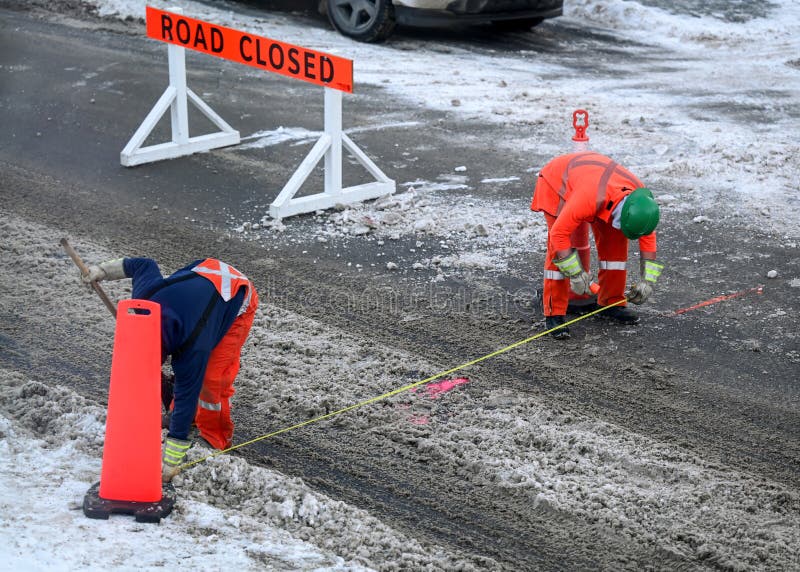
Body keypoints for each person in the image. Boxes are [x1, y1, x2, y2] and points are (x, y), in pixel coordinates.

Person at [83, 257, 258, 481]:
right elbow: (143, 265)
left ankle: (215, 437)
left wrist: (170, 463)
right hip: (204, 271)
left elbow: (187, 392)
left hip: (236, 295)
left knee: (211, 380)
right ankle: (181, 415)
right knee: (189, 383)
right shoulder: (146, 299)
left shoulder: (195, 346)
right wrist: (101, 271)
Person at [530, 151, 664, 339]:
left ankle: (611, 303)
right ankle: (554, 314)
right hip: (556, 181)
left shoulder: (641, 204)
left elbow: (648, 239)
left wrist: (647, 281)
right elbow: (558, 235)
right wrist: (576, 274)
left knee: (616, 243)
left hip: (595, 182)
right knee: (558, 251)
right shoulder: (588, 199)